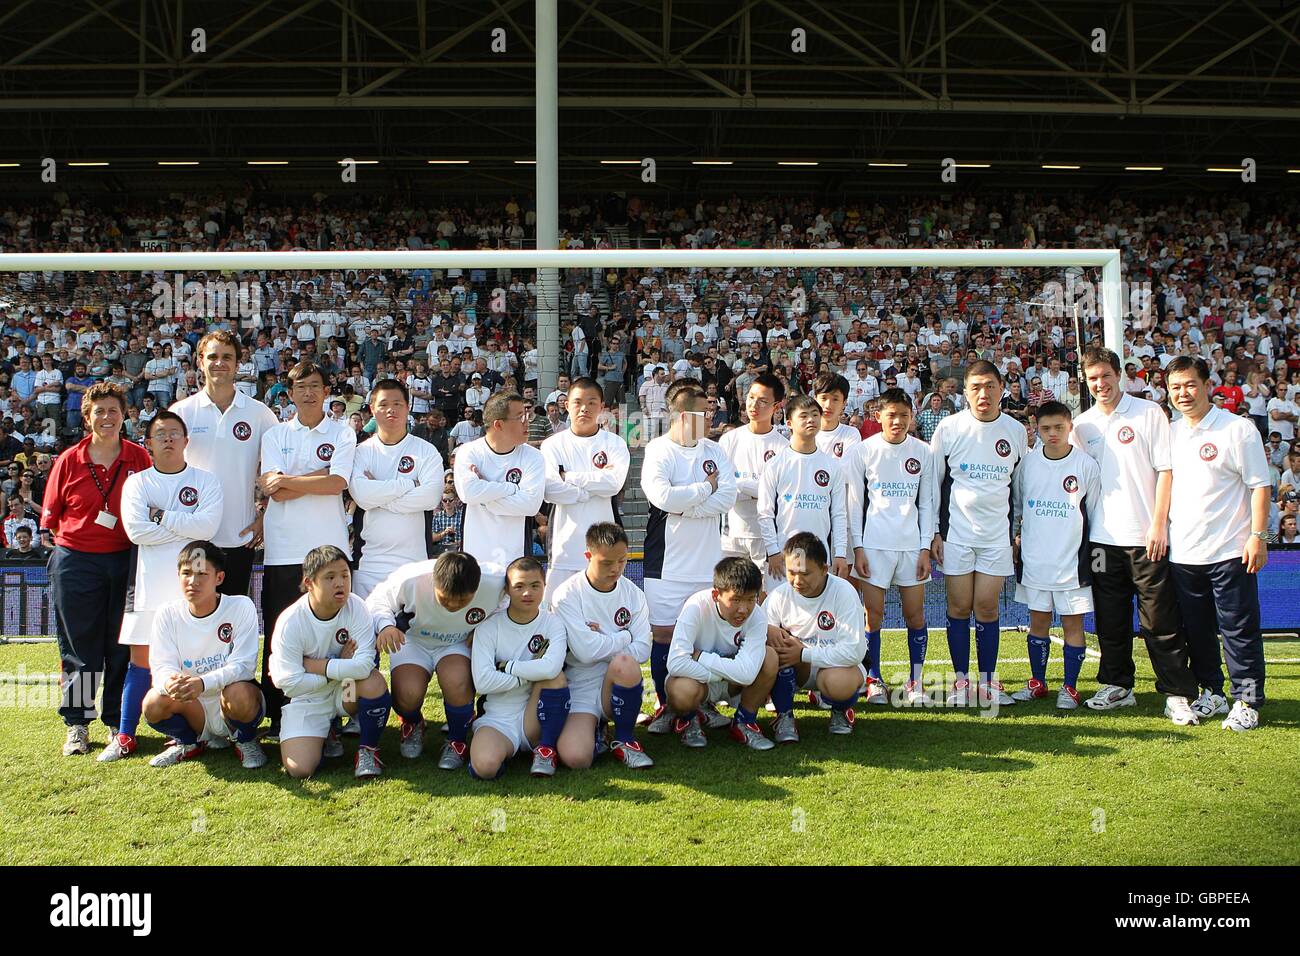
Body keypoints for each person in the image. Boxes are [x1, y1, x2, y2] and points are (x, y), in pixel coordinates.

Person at [1072, 347, 1200, 722]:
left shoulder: (1148, 413)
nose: (1100, 384)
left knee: (1159, 620)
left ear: (1119, 376)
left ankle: (1177, 692)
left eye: (1106, 376)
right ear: (1086, 381)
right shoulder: (1083, 425)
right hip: (1101, 541)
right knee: (1110, 620)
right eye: (1093, 379)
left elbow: (1166, 471)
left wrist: (1159, 524)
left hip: (1147, 538)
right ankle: (1118, 686)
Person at [98, 411, 224, 762]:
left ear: (186, 441)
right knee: (141, 660)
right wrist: (186, 523)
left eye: (174, 433)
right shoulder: (138, 484)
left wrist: (160, 515)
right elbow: (136, 532)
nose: (168, 439)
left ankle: (195, 733)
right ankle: (125, 735)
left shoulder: (206, 481)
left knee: (194, 660)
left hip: (194, 584)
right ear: (148, 443)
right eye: (160, 434)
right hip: (150, 582)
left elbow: (208, 528)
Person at [42, 382, 153, 757]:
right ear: (87, 417)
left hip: (127, 559)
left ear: (125, 415)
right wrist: (82, 546)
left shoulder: (139, 458)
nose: (107, 418)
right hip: (77, 561)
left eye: (114, 411)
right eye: (99, 411)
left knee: (121, 645)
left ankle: (115, 723)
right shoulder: (69, 460)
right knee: (80, 646)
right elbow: (53, 518)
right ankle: (77, 724)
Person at [1166, 356, 1271, 732]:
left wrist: (1259, 537)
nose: (1183, 393)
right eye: (1175, 387)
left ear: (1207, 384)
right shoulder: (1171, 433)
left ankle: (1247, 701)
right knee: (1196, 630)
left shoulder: (1238, 429)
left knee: (1238, 630)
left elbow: (1260, 486)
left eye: (1190, 384)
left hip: (1230, 550)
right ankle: (1210, 690)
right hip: (1184, 553)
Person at [257, 361, 356, 734]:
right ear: (291, 393)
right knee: (280, 629)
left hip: (328, 545)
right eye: (301, 387)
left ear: (326, 391)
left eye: (315, 385)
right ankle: (281, 712)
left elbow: (337, 483)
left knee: (332, 633)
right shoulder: (276, 435)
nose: (309, 393)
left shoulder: (343, 432)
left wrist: (292, 480)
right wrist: (319, 473)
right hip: (283, 548)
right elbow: (274, 492)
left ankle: (336, 712)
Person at [639, 379, 737, 733]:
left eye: (710, 411)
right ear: (681, 415)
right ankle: (666, 705)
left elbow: (728, 497)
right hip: (666, 562)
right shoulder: (658, 450)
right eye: (702, 412)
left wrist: (689, 506)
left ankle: (703, 703)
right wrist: (705, 490)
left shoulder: (716, 451)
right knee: (664, 634)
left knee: (702, 637)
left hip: (707, 561)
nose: (709, 417)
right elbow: (662, 498)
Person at [929, 360, 1027, 708]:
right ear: (964, 391)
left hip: (996, 538)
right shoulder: (949, 427)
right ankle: (959, 681)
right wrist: (934, 533)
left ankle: (987, 682)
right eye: (975, 387)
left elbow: (1020, 488)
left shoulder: (1015, 431)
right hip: (956, 535)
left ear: (1002, 387)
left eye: (989, 386)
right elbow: (933, 484)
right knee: (958, 607)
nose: (983, 394)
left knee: (986, 608)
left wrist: (1018, 532)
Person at [368, 551, 507, 770]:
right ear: (433, 580)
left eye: (463, 600)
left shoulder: (497, 580)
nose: (452, 605)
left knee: (457, 681)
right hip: (414, 640)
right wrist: (386, 625)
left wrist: (488, 626)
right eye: (445, 598)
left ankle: (457, 740)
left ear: (478, 587)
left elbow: (510, 600)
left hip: (459, 641)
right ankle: (413, 723)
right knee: (407, 694)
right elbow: (377, 600)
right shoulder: (410, 578)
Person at [1008, 402, 1105, 711]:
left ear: (1069, 427)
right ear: (1036, 428)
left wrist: (1096, 559)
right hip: (1035, 561)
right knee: (1037, 622)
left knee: (1072, 626)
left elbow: (1094, 515)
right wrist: (1015, 541)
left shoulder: (1085, 465)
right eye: (1046, 428)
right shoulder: (1028, 464)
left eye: (1058, 428)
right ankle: (1037, 683)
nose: (1052, 434)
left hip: (1072, 563)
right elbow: (1018, 509)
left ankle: (1071, 687)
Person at [845, 387, 936, 706]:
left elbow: (927, 504)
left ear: (912, 417)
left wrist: (925, 547)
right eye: (891, 414)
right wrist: (858, 547)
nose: (897, 421)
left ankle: (916, 681)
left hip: (911, 547)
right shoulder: (862, 451)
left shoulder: (924, 452)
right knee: (874, 616)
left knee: (916, 616)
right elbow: (855, 505)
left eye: (904, 415)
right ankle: (874, 680)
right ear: (878, 416)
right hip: (874, 546)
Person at [268, 545, 392, 779]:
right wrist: (338, 665)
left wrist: (318, 665)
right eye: (330, 577)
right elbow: (289, 684)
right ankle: (327, 731)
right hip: (308, 698)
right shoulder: (290, 622)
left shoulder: (357, 607)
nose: (340, 584)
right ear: (308, 583)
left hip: (344, 690)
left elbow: (364, 665)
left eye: (345, 575)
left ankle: (367, 750)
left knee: (372, 682)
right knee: (299, 769)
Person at [173, 331, 280, 598]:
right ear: (200, 361)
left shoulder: (259, 414)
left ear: (238, 363)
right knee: (196, 620)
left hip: (239, 537)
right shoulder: (181, 413)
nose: (219, 363)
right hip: (193, 538)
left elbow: (279, 473)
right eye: (212, 357)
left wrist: (265, 516)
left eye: (227, 357)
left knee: (231, 623)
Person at [140, 541, 266, 769]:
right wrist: (170, 682)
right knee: (153, 703)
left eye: (202, 574)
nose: (193, 581)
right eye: (186, 573)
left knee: (240, 692)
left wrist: (202, 682)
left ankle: (245, 739)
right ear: (178, 575)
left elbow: (244, 666)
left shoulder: (240, 606)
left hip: (229, 701)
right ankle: (188, 742)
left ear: (219, 578)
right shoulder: (166, 614)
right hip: (192, 705)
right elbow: (160, 667)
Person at [550, 522, 653, 770]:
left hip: (618, 679)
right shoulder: (567, 594)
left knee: (626, 664)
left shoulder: (633, 594)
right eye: (607, 563)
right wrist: (624, 636)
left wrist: (602, 637)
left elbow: (643, 652)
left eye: (622, 561)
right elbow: (585, 654)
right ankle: (597, 732)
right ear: (588, 556)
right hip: (581, 685)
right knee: (575, 758)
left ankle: (625, 739)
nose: (616, 569)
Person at [468, 557, 570, 779]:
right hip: (497, 719)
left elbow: (551, 669)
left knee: (555, 678)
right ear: (506, 590)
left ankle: (545, 748)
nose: (527, 593)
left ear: (545, 587)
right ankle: (499, 751)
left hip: (534, 715)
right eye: (519, 586)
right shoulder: (488, 627)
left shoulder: (553, 623)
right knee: (485, 767)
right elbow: (483, 681)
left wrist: (507, 667)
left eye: (535, 586)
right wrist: (530, 675)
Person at [664, 557, 777, 750]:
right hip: (702, 682)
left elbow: (747, 674)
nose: (744, 609)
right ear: (716, 595)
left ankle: (744, 722)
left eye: (751, 599)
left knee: (770, 657)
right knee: (681, 691)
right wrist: (719, 675)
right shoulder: (696, 606)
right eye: (736, 600)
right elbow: (675, 663)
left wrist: (701, 656)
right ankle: (690, 719)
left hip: (735, 685)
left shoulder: (757, 615)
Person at [763, 533, 867, 741]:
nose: (797, 581)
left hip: (835, 669)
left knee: (838, 683)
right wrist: (768, 632)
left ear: (824, 569)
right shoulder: (779, 596)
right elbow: (754, 638)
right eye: (791, 573)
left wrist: (803, 653)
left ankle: (841, 710)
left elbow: (855, 652)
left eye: (806, 573)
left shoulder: (844, 592)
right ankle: (784, 716)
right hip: (796, 668)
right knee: (771, 650)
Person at [347, 379, 443, 598]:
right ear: (371, 409)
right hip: (369, 564)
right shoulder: (360, 452)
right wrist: (409, 484)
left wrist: (378, 493)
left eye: (398, 403)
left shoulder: (426, 451)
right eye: (383, 404)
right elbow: (361, 496)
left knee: (409, 632)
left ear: (408, 407)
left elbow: (430, 497)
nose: (391, 409)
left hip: (415, 564)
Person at [539, 378, 630, 604]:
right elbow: (551, 490)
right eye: (577, 402)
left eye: (591, 403)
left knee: (604, 614)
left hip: (604, 549)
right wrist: (591, 489)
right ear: (566, 405)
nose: (584, 409)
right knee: (556, 612)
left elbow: (614, 485)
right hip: (564, 547)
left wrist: (569, 476)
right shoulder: (552, 445)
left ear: (601, 407)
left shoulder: (615, 443)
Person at [757, 393, 850, 588]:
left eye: (815, 414)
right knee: (782, 614)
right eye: (804, 415)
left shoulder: (832, 466)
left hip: (819, 555)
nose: (811, 420)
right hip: (783, 557)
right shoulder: (775, 465)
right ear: (789, 423)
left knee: (815, 613)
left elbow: (839, 514)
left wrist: (840, 553)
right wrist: (773, 552)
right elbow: (765, 513)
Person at [453, 391, 546, 569]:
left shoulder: (533, 456)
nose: (527, 422)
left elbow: (531, 505)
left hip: (516, 557)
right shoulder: (469, 452)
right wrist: (512, 488)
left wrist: (484, 496)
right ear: (498, 424)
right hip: (476, 558)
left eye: (527, 415)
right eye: (520, 417)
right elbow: (468, 493)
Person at [718, 373, 789, 588]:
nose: (753, 405)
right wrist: (757, 490)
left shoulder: (783, 447)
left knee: (768, 596)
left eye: (763, 401)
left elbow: (777, 495)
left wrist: (742, 487)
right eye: (750, 397)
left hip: (767, 537)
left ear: (777, 407)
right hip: (732, 533)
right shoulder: (729, 439)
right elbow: (724, 488)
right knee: (731, 593)